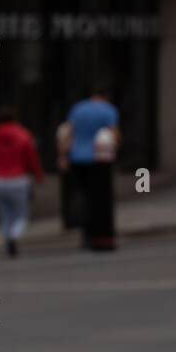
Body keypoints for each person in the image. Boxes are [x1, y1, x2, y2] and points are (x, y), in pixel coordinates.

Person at [0, 106, 43, 258]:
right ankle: (14, 236)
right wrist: (38, 175)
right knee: (22, 215)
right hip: (18, 180)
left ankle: (7, 237)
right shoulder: (23, 134)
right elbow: (32, 158)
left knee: (5, 214)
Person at [64, 85, 120, 248]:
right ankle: (99, 233)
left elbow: (68, 132)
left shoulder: (78, 109)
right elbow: (114, 133)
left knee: (84, 196)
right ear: (105, 96)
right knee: (100, 198)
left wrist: (64, 156)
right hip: (99, 159)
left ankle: (86, 233)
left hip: (78, 158)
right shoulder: (108, 110)